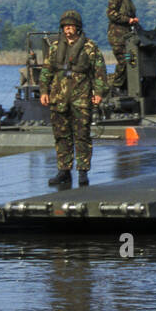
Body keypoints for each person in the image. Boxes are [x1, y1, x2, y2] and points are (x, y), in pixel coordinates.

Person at [38, 10, 107, 187]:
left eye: (71, 27)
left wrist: (98, 93)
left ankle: (83, 171)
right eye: (65, 27)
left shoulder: (90, 47)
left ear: (78, 28)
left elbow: (99, 73)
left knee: (82, 135)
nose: (68, 30)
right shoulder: (55, 47)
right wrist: (44, 91)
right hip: (59, 98)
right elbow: (46, 71)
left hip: (81, 98)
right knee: (61, 135)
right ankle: (64, 170)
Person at [106, 0, 140, 92]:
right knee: (125, 59)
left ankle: (125, 86)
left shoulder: (127, 0)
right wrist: (128, 20)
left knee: (131, 60)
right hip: (117, 37)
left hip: (127, 37)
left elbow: (132, 17)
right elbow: (111, 14)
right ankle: (116, 85)